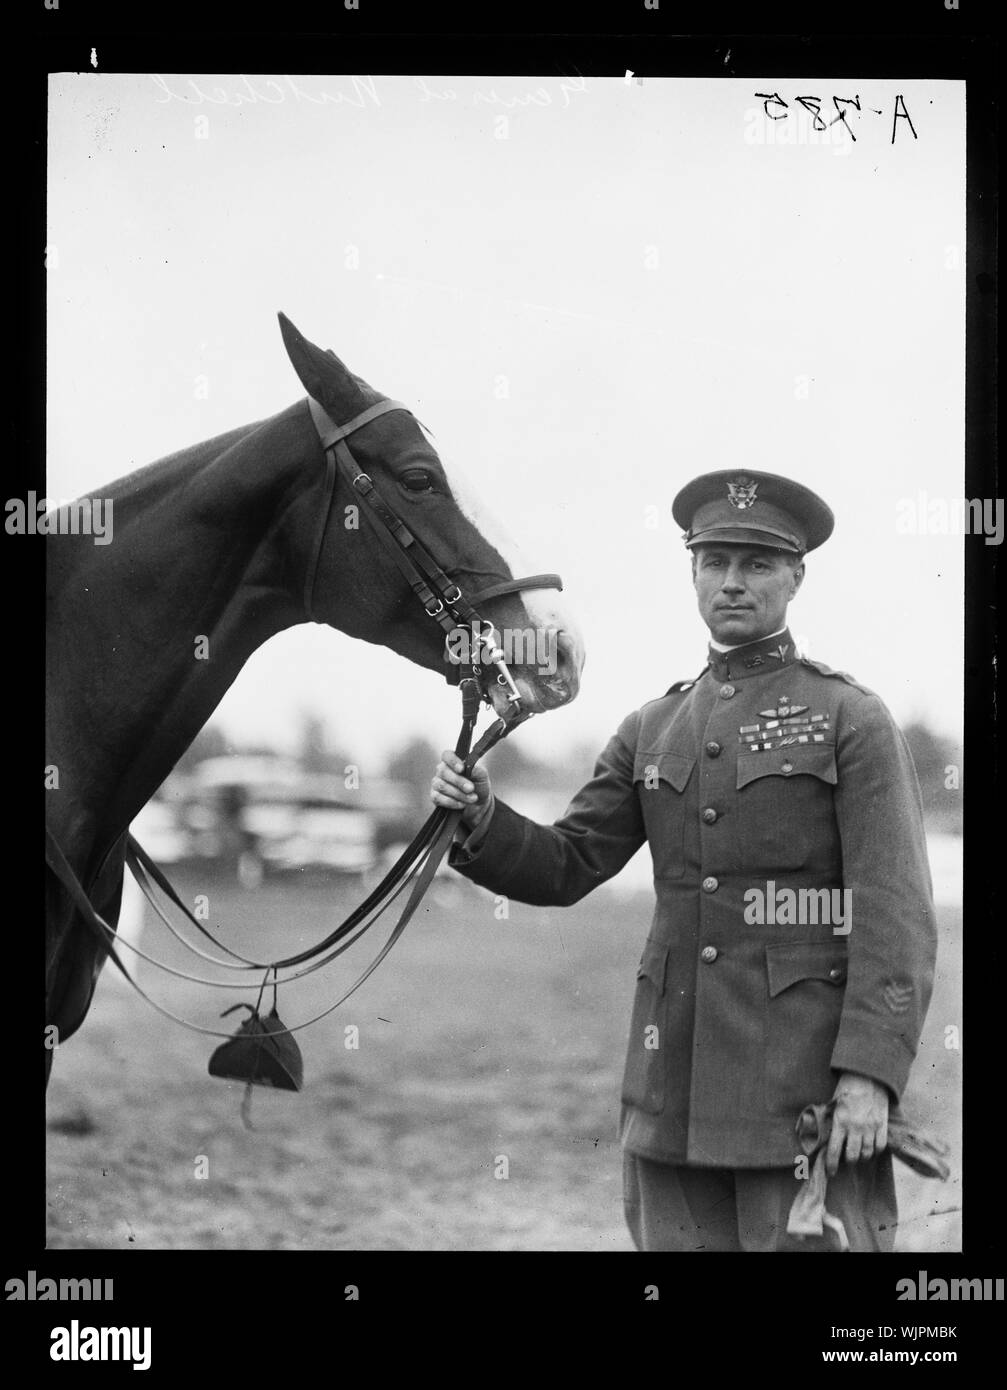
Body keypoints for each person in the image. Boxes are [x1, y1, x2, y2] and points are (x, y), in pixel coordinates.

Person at [430, 469, 937, 1252]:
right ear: (692, 572)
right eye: (713, 562)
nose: (731, 582)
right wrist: (480, 815)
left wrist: (869, 1076)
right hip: (668, 1106)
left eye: (756, 564)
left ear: (795, 577)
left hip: (798, 1103)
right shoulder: (652, 726)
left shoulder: (849, 718)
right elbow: (567, 864)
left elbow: (893, 913)